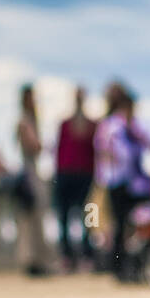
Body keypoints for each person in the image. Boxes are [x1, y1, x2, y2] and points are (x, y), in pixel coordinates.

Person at [94, 85, 150, 281]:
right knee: (122, 225)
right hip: (120, 182)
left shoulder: (131, 126)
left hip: (132, 183)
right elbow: (109, 153)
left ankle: (132, 266)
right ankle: (121, 268)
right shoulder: (113, 126)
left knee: (132, 224)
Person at [54, 86, 96, 270]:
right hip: (66, 175)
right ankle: (67, 257)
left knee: (87, 217)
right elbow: (59, 151)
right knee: (64, 218)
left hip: (85, 176)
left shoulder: (92, 125)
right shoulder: (65, 124)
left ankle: (87, 255)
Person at [14, 84, 51, 277]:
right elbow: (34, 146)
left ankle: (34, 260)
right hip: (30, 175)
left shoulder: (28, 121)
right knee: (32, 219)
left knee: (32, 219)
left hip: (31, 173)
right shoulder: (25, 121)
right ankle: (32, 261)